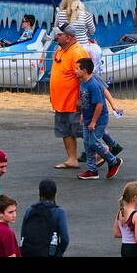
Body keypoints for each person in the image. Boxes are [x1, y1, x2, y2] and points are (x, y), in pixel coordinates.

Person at [49, 26, 89, 170]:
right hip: (60, 101)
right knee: (65, 131)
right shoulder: (60, 50)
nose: (56, 37)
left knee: (82, 130)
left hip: (73, 102)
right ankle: (72, 159)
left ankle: (101, 152)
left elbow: (85, 78)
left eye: (59, 35)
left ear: (69, 37)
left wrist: (81, 98)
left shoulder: (77, 52)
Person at [75, 58, 122, 181]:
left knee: (93, 142)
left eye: (77, 68)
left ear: (84, 70)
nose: (75, 70)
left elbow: (100, 104)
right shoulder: (82, 82)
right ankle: (92, 170)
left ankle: (113, 161)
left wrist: (94, 121)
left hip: (99, 119)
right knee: (87, 143)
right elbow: (84, 101)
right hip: (87, 118)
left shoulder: (93, 84)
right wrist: (81, 115)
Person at [19, 179, 69, 257]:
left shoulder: (29, 210)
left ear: (39, 193)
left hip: (29, 252)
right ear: (55, 194)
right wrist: (59, 252)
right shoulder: (59, 212)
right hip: (49, 252)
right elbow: (65, 239)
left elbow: (23, 234)